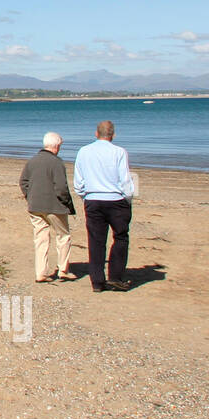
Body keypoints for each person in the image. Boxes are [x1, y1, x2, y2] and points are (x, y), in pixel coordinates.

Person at [73, 120, 136, 293]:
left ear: (96, 133)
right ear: (113, 135)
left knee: (96, 241)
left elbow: (78, 180)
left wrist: (84, 196)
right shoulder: (119, 152)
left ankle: (98, 281)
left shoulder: (84, 151)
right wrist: (128, 198)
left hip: (94, 199)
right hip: (115, 200)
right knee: (120, 237)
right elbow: (125, 179)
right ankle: (114, 277)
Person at [18, 132, 76, 283]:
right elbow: (61, 188)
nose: (60, 148)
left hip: (35, 206)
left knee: (41, 239)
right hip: (53, 207)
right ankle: (63, 270)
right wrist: (67, 203)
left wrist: (30, 197)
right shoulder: (56, 162)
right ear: (56, 146)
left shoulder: (32, 161)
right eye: (60, 146)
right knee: (63, 236)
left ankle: (41, 273)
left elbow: (23, 182)